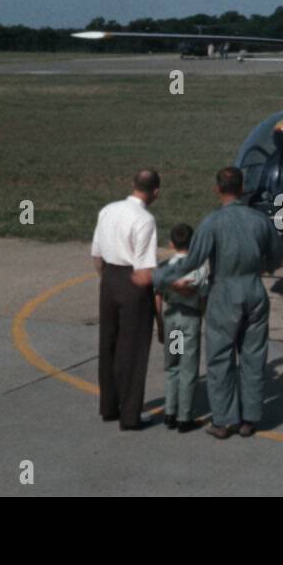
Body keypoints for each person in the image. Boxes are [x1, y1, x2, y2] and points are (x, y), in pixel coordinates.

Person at [153, 167, 283, 440]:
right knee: (253, 356)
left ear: (217, 189)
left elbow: (191, 262)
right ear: (242, 188)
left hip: (224, 292)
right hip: (254, 290)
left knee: (220, 357)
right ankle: (250, 418)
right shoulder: (259, 220)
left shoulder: (212, 223)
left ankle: (224, 420)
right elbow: (277, 258)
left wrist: (160, 275)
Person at [91, 169, 160, 431]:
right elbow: (144, 270)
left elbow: (96, 254)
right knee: (133, 350)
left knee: (108, 343)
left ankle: (108, 406)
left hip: (109, 277)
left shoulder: (107, 210)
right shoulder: (145, 220)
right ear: (156, 192)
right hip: (132, 283)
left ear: (132, 184)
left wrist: (107, 279)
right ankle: (130, 415)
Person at [154, 223, 208, 433]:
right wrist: (201, 316)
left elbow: (157, 295)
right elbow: (203, 296)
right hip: (190, 319)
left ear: (171, 243)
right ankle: (185, 416)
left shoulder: (165, 267)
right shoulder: (200, 269)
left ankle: (170, 410)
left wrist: (159, 323)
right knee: (188, 368)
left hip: (172, 319)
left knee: (173, 364)